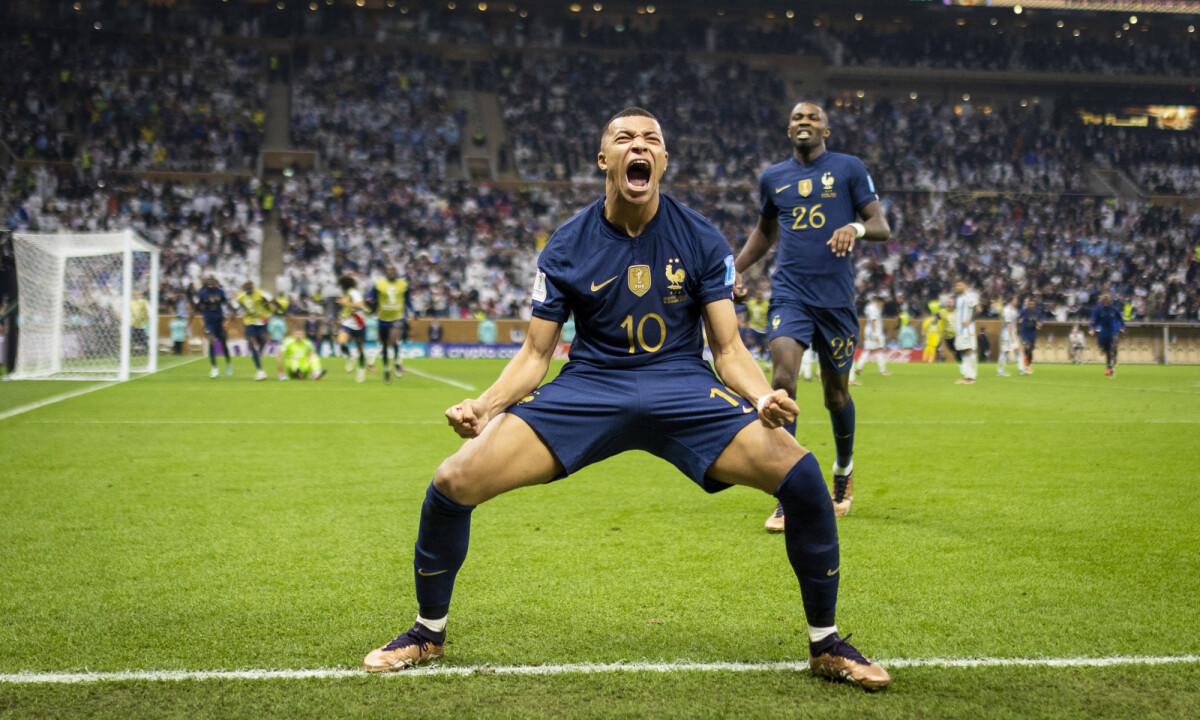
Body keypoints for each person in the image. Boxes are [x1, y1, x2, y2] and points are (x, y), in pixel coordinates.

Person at [363, 108, 890, 690]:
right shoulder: (566, 244)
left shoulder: (700, 237)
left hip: (683, 387)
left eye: (651, 140)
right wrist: (483, 407)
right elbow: (537, 356)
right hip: (590, 388)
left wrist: (764, 396)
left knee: (802, 475)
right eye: (625, 138)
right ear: (605, 160)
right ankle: (426, 634)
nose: (639, 146)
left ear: (662, 161)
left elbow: (728, 347)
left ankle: (826, 646)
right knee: (452, 481)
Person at [734, 100, 890, 525]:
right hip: (790, 295)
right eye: (797, 119)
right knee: (782, 384)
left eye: (812, 119)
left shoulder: (849, 168)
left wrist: (854, 227)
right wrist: (733, 269)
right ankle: (790, 488)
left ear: (827, 130)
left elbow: (881, 224)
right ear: (789, 131)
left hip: (836, 301)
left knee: (835, 394)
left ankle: (843, 470)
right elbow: (765, 234)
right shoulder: (773, 178)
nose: (804, 123)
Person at [368, 265, 411, 384]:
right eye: (388, 270)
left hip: (397, 317)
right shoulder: (379, 284)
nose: (391, 272)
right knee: (385, 345)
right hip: (382, 318)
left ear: (396, 272)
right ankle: (387, 367)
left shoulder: (403, 284)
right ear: (386, 272)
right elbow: (370, 295)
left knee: (394, 339)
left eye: (393, 270)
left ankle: (397, 363)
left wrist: (413, 310)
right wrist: (368, 300)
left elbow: (408, 299)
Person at [191, 276, 234, 378]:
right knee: (211, 341)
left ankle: (228, 364)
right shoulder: (202, 293)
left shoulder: (220, 292)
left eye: (212, 281)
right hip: (209, 322)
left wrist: (232, 311)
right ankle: (214, 368)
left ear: (215, 282)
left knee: (223, 343)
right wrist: (191, 317)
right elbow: (196, 306)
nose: (210, 283)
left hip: (219, 321)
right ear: (206, 283)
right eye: (208, 281)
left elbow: (226, 302)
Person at [236, 281, 277, 381]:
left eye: (250, 286)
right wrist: (233, 314)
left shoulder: (261, 293)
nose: (248, 288)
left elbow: (273, 300)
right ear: (244, 288)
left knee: (263, 341)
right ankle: (260, 371)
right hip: (250, 322)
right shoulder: (240, 297)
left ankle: (258, 355)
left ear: (253, 286)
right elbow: (239, 307)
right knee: (252, 343)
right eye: (246, 287)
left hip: (262, 321)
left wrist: (284, 312)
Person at [336, 274, 368, 383]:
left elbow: (360, 305)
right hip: (348, 322)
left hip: (358, 322)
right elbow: (346, 309)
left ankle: (361, 370)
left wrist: (346, 303)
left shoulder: (353, 292)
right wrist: (341, 317)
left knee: (360, 349)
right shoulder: (346, 293)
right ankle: (350, 356)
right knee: (341, 341)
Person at [851, 296, 889, 385]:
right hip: (873, 331)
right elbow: (873, 320)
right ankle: (882, 370)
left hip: (871, 331)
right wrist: (876, 332)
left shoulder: (871, 307)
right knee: (879, 348)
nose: (882, 304)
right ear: (878, 301)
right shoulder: (872, 308)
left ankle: (858, 367)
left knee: (869, 349)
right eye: (881, 302)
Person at [1089, 292, 1126, 378]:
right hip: (1102, 332)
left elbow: (1120, 319)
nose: (1106, 303)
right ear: (1102, 301)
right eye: (1104, 301)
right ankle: (1109, 361)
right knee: (1104, 351)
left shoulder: (1114, 309)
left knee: (1111, 349)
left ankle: (1109, 368)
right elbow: (1093, 319)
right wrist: (1091, 328)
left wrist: (1123, 328)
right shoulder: (1098, 309)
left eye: (1107, 301)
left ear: (1109, 301)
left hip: (1112, 332)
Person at [952, 281, 981, 385]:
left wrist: (970, 320)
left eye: (959, 285)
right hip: (960, 330)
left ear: (965, 286)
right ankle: (967, 377)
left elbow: (978, 309)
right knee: (964, 352)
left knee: (969, 350)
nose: (957, 287)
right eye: (956, 285)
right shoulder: (958, 298)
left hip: (967, 330)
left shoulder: (970, 297)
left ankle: (972, 377)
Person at [1017, 297, 1043, 375]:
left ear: (1034, 305)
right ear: (1027, 305)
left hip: (1032, 332)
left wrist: (1039, 325)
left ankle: (1029, 364)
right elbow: (1018, 318)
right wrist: (1018, 326)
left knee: (1030, 349)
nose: (1031, 305)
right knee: (1027, 347)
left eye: (1032, 304)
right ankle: (1027, 365)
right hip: (1025, 332)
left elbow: (1039, 320)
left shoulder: (1037, 312)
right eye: (1030, 304)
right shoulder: (1024, 311)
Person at [997, 298, 1019, 376]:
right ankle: (1000, 371)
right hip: (1006, 333)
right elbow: (1008, 323)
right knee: (1005, 351)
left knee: (1015, 349)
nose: (1017, 300)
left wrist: (1015, 331)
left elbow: (1015, 322)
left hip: (1012, 332)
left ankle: (1021, 369)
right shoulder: (1006, 310)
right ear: (1011, 300)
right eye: (1015, 299)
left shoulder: (1014, 310)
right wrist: (1012, 335)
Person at [130, 290, 150, 355]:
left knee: (143, 338)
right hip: (132, 324)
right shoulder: (131, 302)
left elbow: (149, 311)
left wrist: (148, 315)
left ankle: (147, 351)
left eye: (137, 294)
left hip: (142, 324)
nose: (136, 295)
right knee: (131, 337)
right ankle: (131, 351)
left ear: (140, 294)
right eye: (135, 294)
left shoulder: (144, 302)